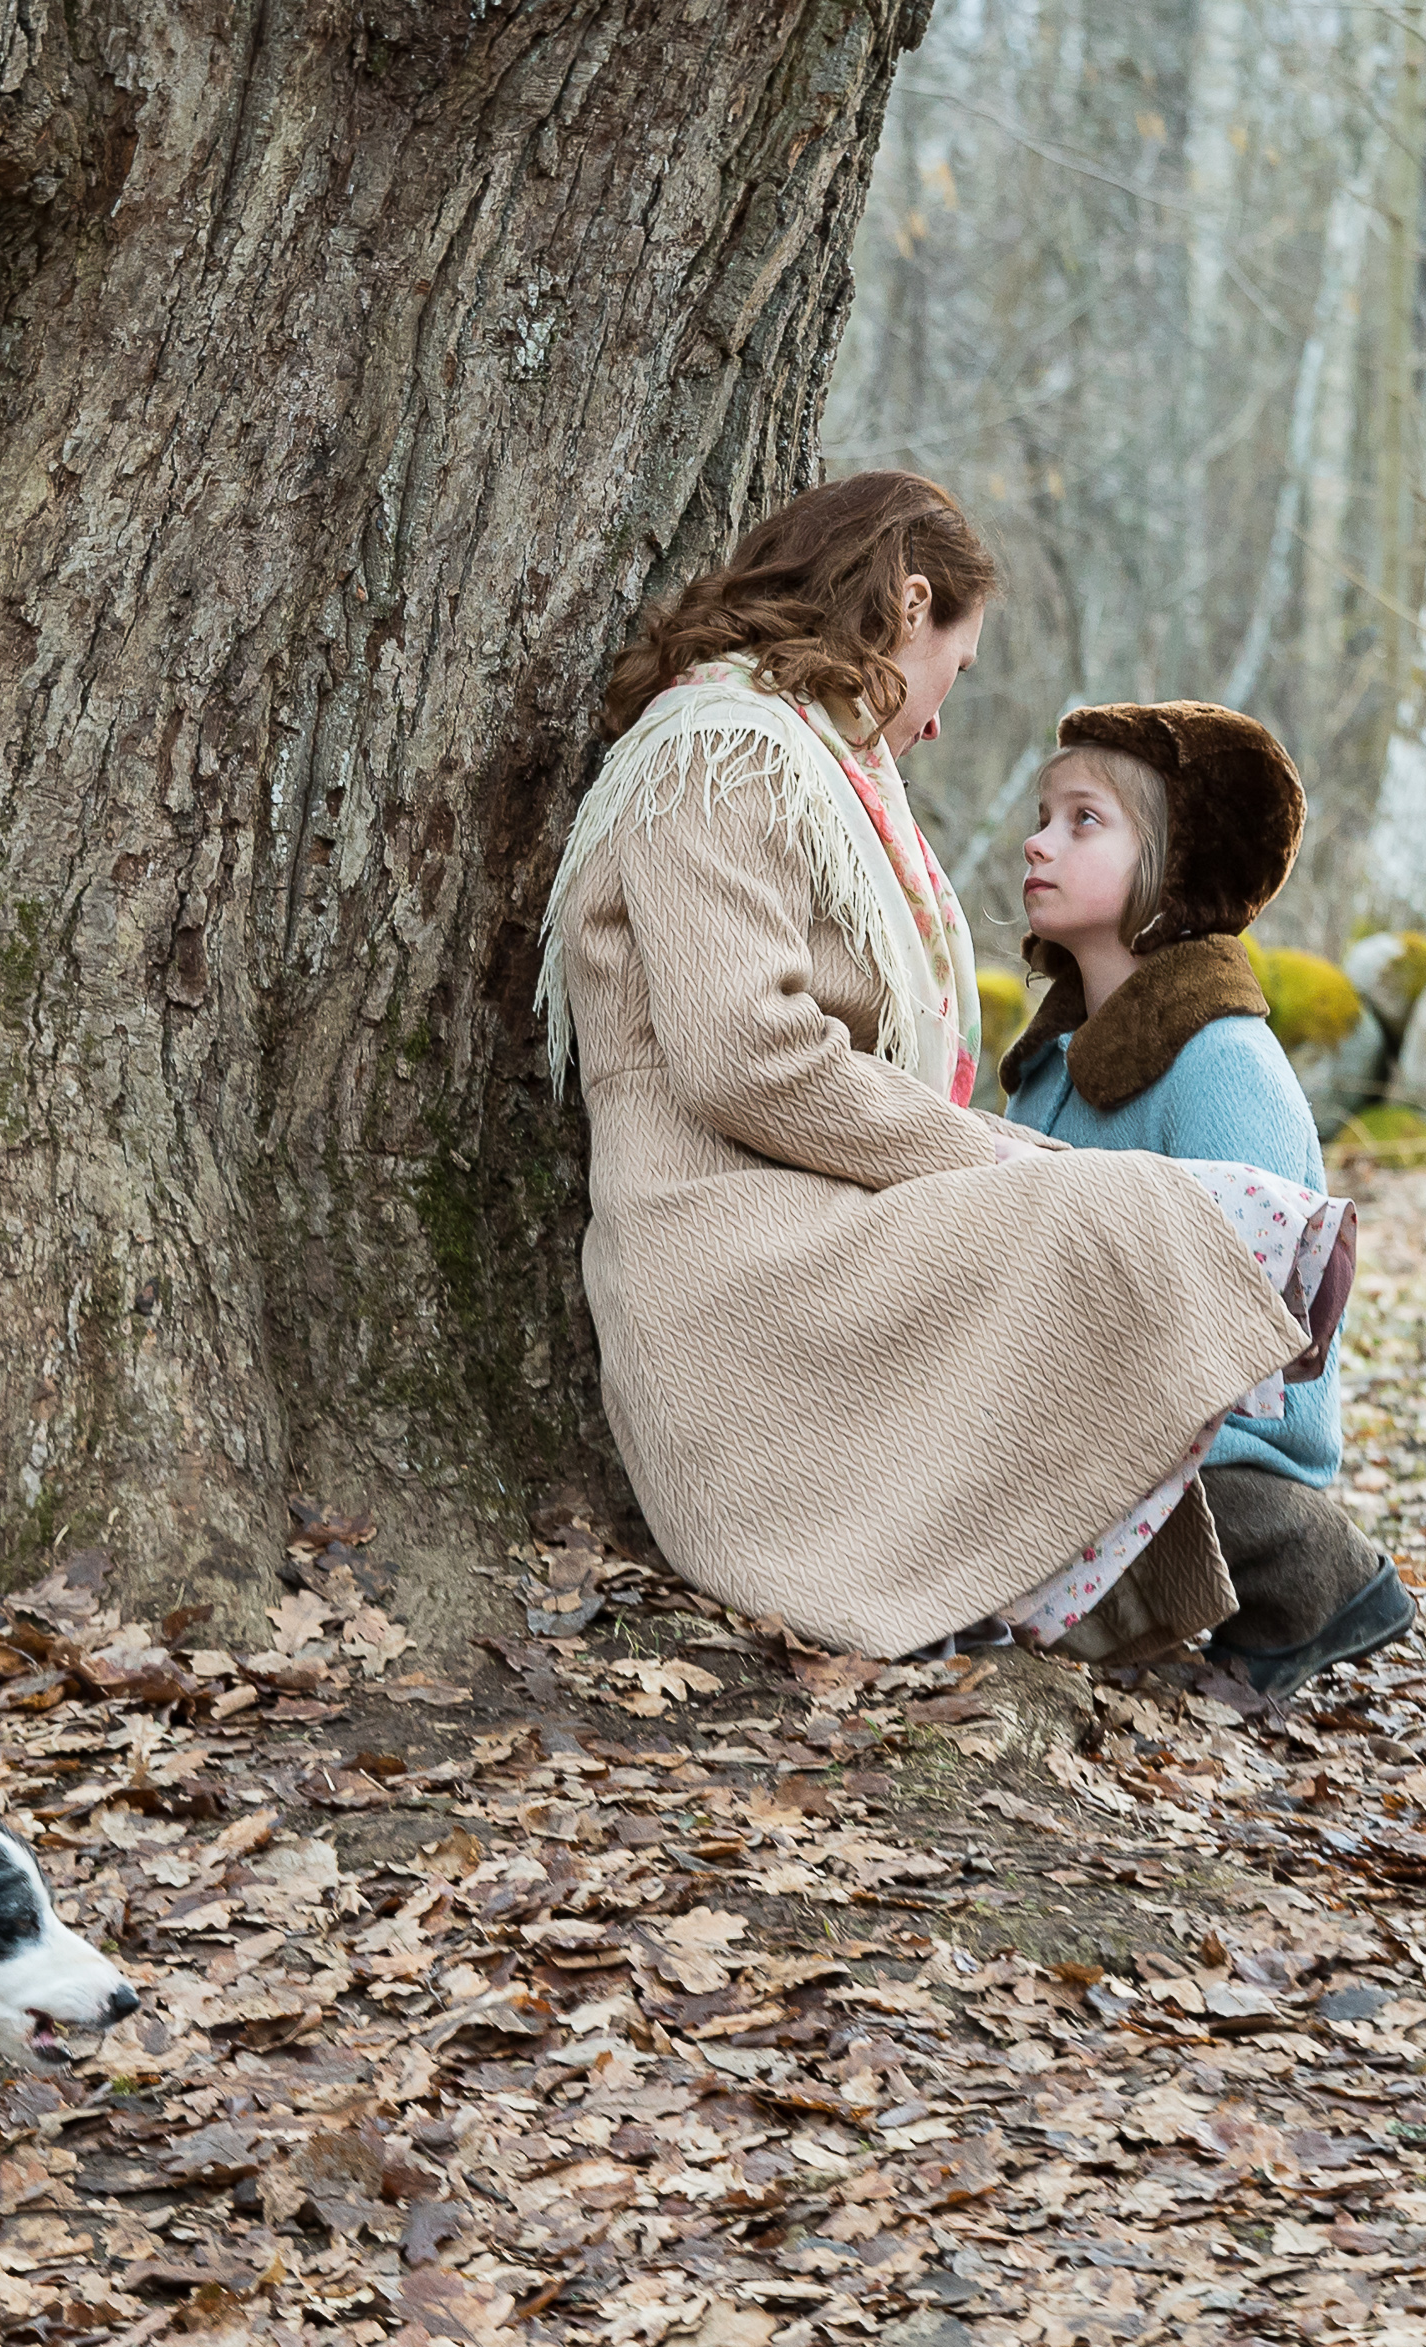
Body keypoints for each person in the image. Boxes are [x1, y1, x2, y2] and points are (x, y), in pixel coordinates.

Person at [535, 471, 1349, 1665]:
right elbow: (745, 1062)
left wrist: (1008, 1160)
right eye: (953, 673)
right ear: (908, 607)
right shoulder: (720, 755)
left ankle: (1286, 1562)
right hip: (729, 1265)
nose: (939, 718)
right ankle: (1298, 1574)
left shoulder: (799, 763)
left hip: (797, 1226)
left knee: (1122, 1207)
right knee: (1099, 1211)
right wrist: (996, 1158)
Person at [999, 706, 1414, 1697]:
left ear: (1172, 864)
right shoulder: (1047, 1067)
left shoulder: (1222, 1061)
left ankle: (1312, 1574)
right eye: (1044, 814)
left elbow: (1256, 1318)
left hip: (1227, 1449)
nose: (1038, 839)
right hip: (1089, 1416)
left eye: (1083, 821)